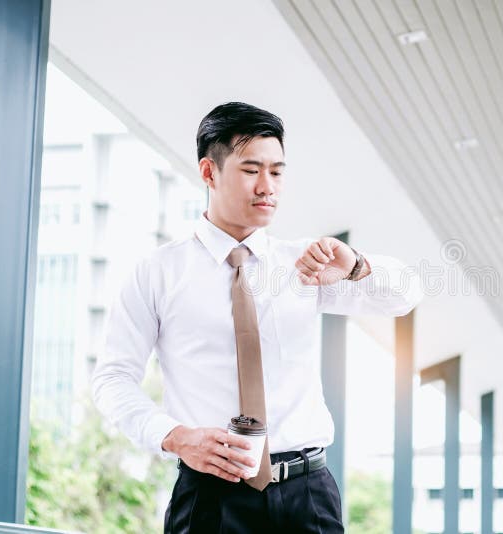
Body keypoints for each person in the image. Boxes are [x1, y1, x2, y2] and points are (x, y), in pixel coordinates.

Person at [92, 102, 423, 533]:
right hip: (209, 496)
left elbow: (405, 297)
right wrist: (173, 436)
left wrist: (357, 265)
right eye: (251, 170)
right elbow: (112, 378)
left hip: (308, 495)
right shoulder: (158, 272)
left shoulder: (305, 265)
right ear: (209, 172)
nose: (267, 186)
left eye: (277, 171)